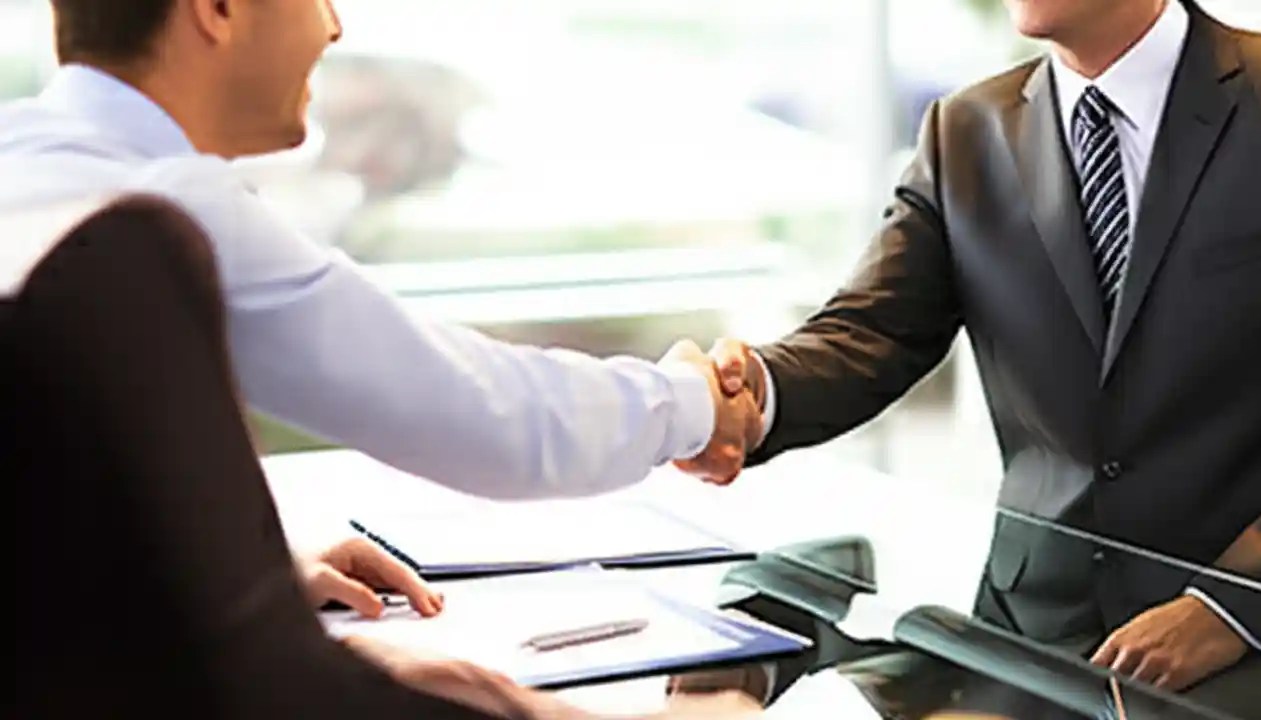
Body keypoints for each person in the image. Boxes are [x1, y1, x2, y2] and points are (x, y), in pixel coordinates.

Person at [679, 0, 1261, 715]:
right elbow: (873, 331)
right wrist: (752, 392)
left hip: (1245, 653)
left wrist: (1236, 606)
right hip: (1024, 647)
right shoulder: (965, 130)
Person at [7, 195, 760, 719]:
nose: (330, 26)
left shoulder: (44, 189)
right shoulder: (141, 238)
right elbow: (474, 405)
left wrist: (231, 573)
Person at [0, 0, 761, 501]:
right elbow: (483, 412)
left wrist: (268, 571)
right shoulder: (168, 211)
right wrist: (690, 401)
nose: (334, 28)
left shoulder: (22, 158)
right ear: (219, 9)